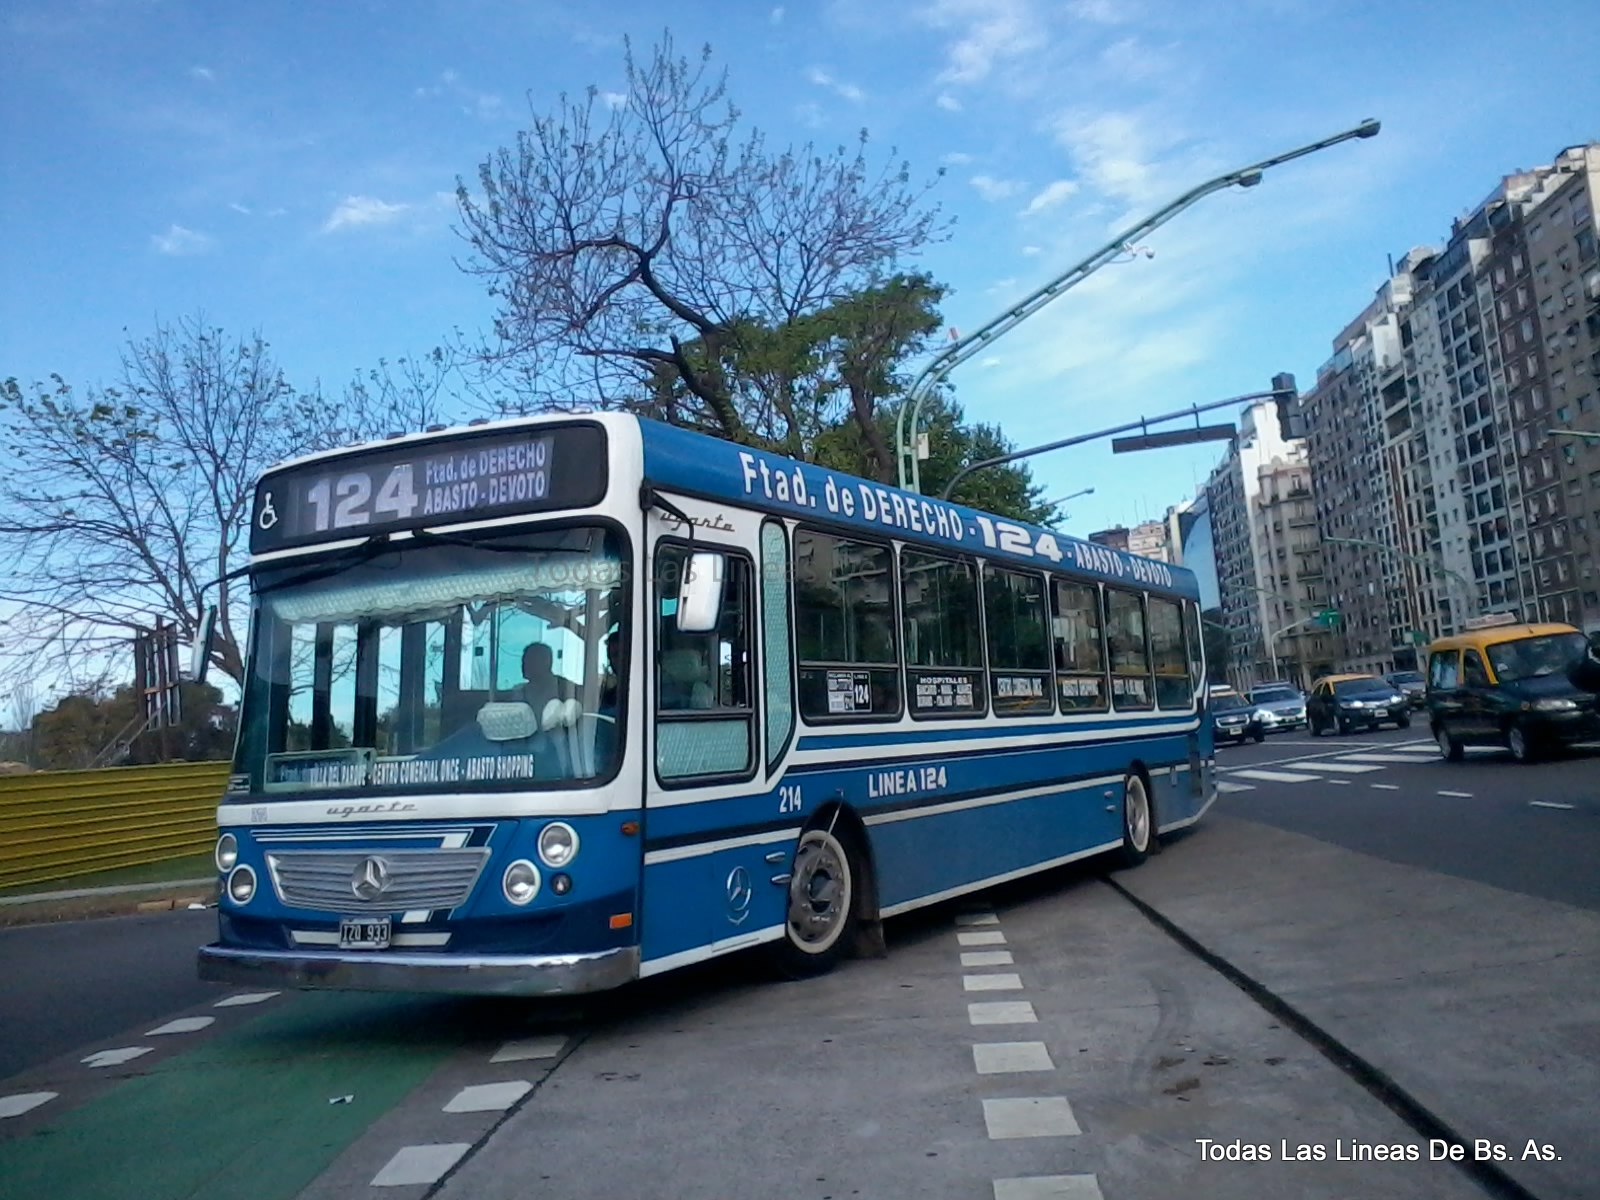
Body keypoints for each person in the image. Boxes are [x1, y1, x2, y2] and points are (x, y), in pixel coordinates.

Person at [520, 643, 562, 720]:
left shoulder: (564, 689)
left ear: (546, 662)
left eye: (529, 661)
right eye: (523, 662)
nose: (523, 666)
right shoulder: (522, 690)